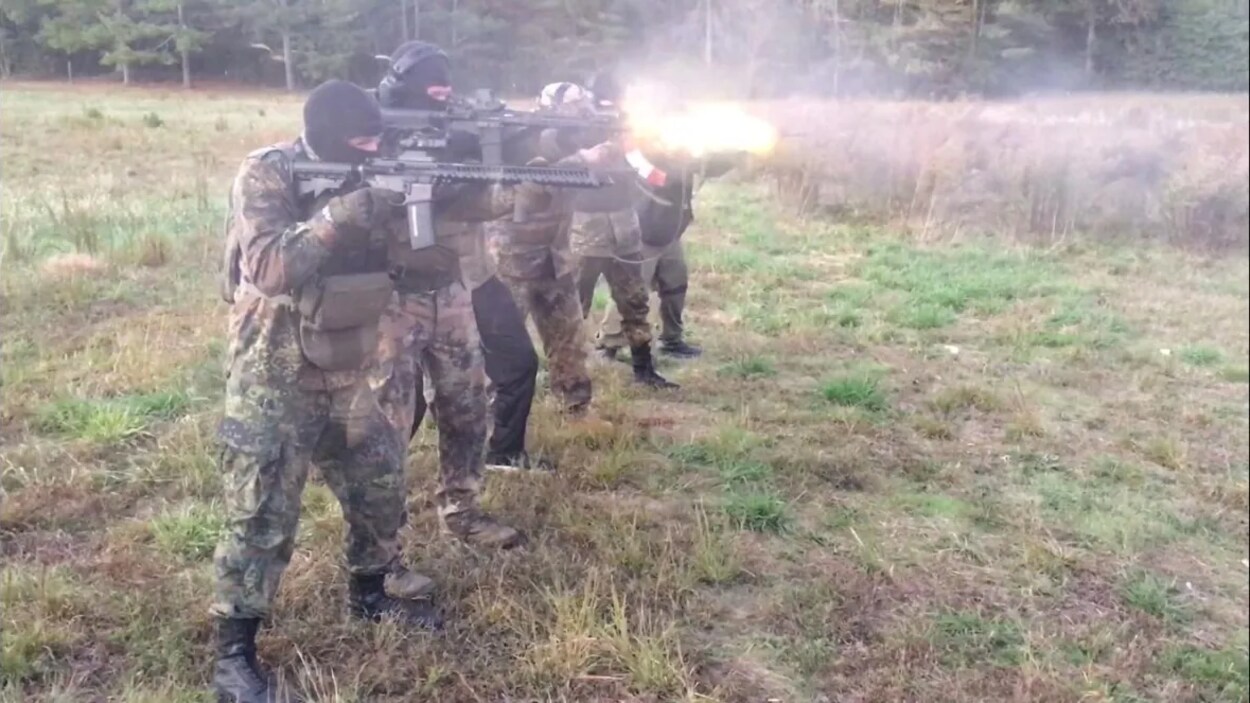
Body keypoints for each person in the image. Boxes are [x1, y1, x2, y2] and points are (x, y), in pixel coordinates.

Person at [211, 79, 440, 703]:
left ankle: (370, 595)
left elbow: (416, 263)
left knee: (380, 481)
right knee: (261, 506)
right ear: (330, 138)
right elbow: (269, 267)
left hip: (353, 358)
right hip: (272, 368)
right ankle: (234, 651)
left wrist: (421, 200)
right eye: (360, 141)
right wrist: (344, 212)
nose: (373, 149)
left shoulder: (381, 172)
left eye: (377, 139)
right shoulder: (268, 172)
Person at [377, 41, 550, 476]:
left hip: (469, 272)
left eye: (445, 80)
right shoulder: (378, 127)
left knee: (515, 364)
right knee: (404, 397)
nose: (442, 90)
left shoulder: (459, 120)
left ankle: (502, 454)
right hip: (398, 285)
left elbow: (501, 176)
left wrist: (509, 139)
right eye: (430, 81)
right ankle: (372, 476)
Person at [483, 82, 599, 418]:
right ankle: (491, 416)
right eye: (573, 110)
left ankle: (576, 405)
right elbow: (541, 171)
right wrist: (585, 158)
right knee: (499, 345)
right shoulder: (522, 137)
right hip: (511, 260)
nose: (579, 116)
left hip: (554, 259)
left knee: (570, 339)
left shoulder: (577, 137)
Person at [568, 71, 677, 389]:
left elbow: (638, 162)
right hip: (586, 231)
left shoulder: (628, 124)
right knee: (575, 305)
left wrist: (662, 166)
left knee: (635, 301)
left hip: (623, 229)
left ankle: (644, 370)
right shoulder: (575, 126)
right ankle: (570, 374)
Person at [595, 149, 738, 360]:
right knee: (632, 292)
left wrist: (734, 153)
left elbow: (711, 169)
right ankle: (609, 345)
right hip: (642, 234)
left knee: (675, 286)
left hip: (670, 234)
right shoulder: (636, 149)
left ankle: (672, 340)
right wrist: (685, 163)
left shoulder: (681, 149)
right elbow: (657, 178)